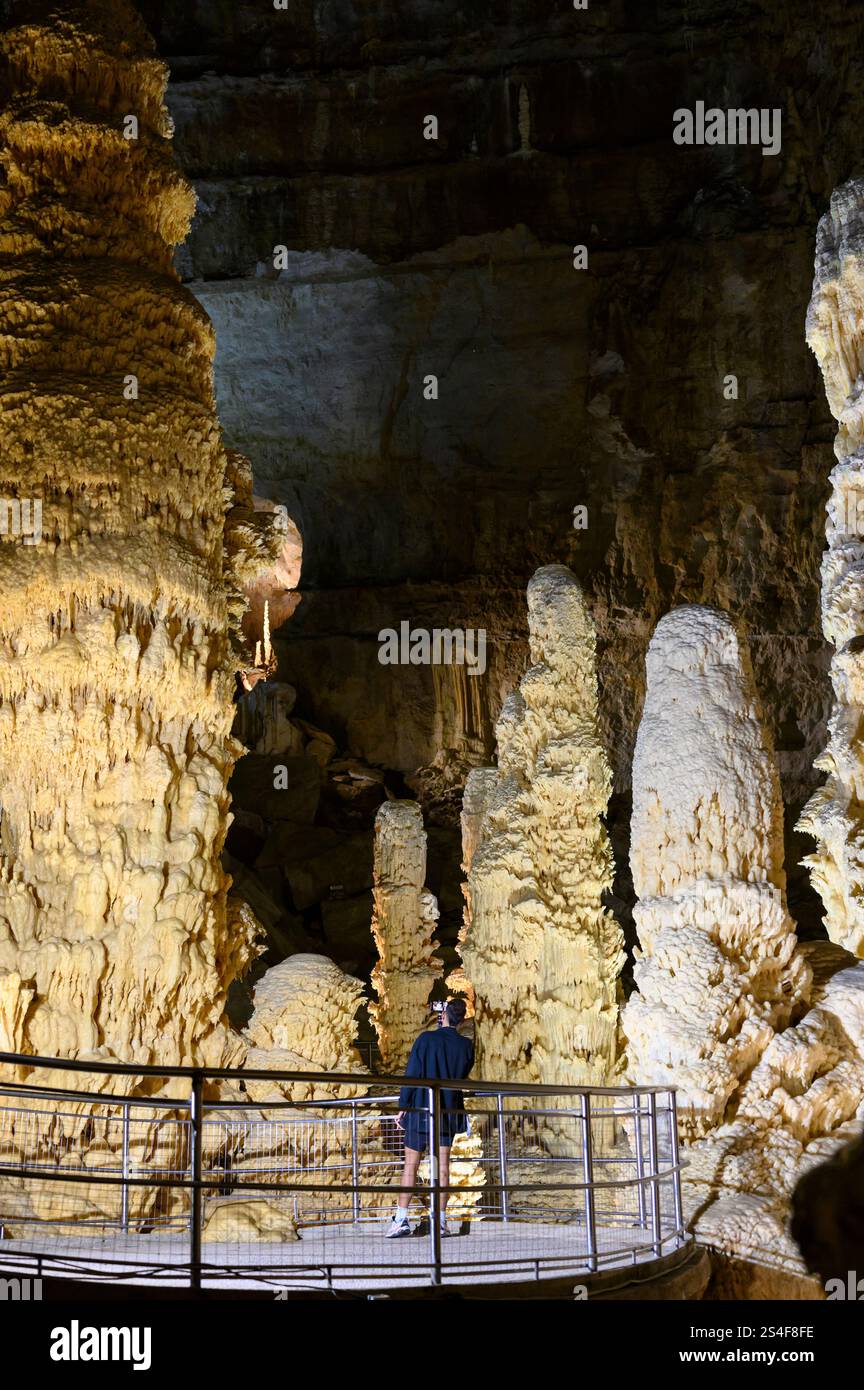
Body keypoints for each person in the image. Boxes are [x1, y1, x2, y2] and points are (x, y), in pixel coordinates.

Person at [386, 997, 474, 1238]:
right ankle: (441, 1222)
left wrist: (403, 1106)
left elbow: (413, 1074)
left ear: (443, 1014)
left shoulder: (426, 1039)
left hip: (421, 1111)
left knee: (411, 1166)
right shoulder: (466, 1046)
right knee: (443, 1167)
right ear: (462, 1019)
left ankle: (401, 1220)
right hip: (446, 1113)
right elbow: (462, 1076)